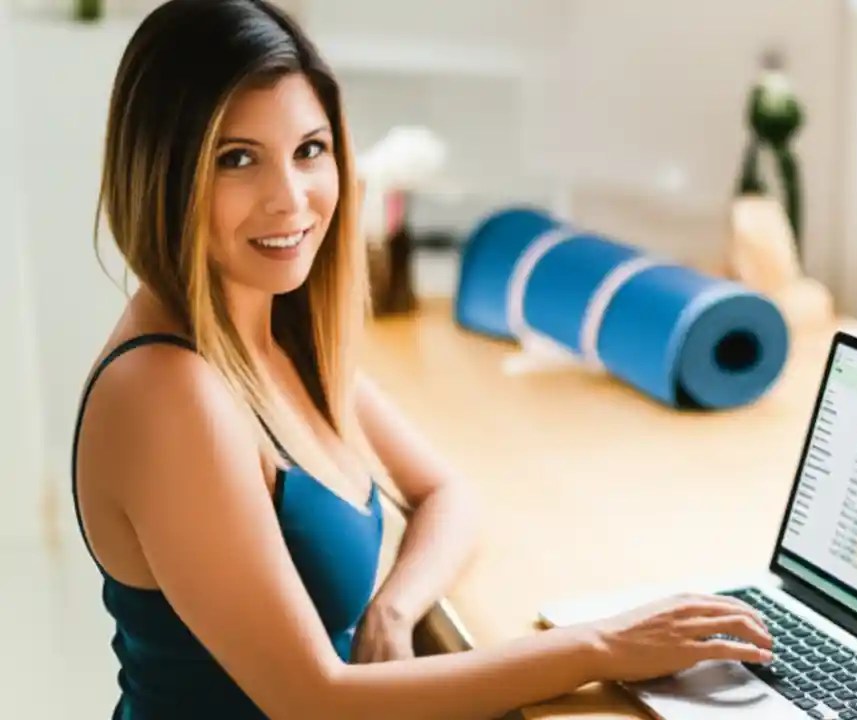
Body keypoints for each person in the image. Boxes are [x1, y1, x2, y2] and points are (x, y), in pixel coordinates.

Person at [71, 1, 774, 718]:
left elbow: (448, 494)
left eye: (310, 150)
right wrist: (600, 647)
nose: (291, 199)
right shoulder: (167, 390)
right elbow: (311, 699)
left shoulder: (270, 334)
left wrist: (396, 610)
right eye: (237, 159)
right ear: (161, 171)